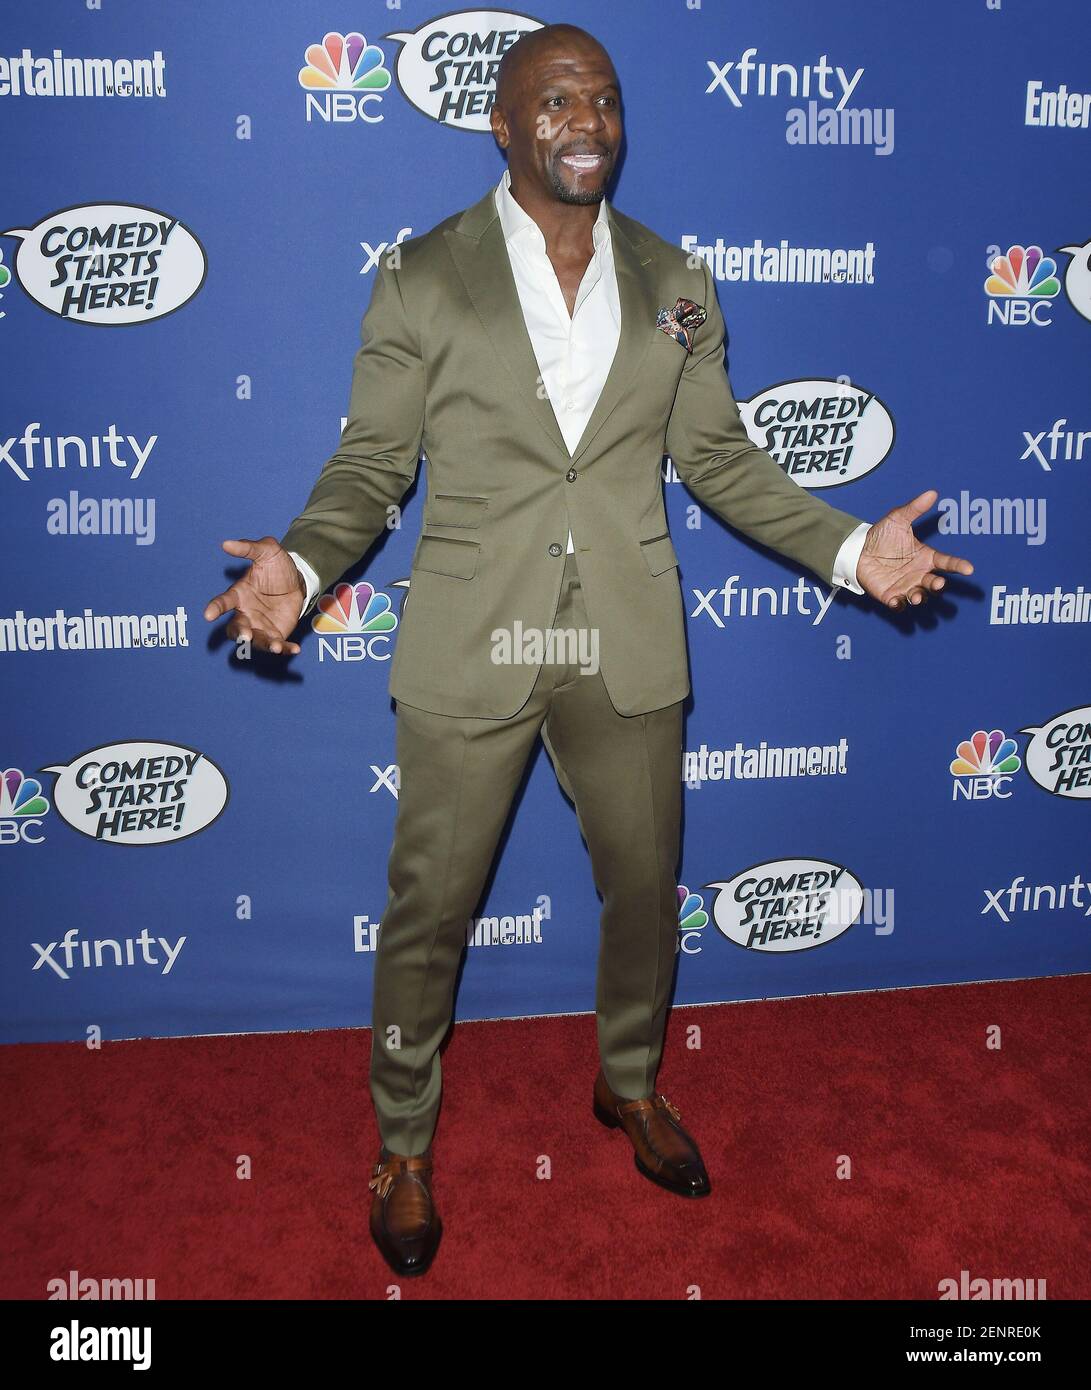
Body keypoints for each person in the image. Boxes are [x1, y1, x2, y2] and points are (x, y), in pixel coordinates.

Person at [203, 24, 974, 1278]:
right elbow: (370, 463)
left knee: (641, 889)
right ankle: (402, 1141)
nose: (584, 120)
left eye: (603, 101)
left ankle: (626, 1083)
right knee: (429, 908)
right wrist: (302, 556)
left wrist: (847, 550)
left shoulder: (675, 279)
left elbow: (716, 458)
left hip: (623, 637)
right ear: (500, 124)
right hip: (472, 635)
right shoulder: (423, 276)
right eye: (554, 100)